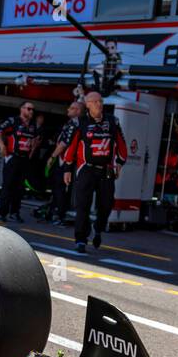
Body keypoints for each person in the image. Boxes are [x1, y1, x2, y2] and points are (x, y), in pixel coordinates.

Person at [63, 91, 127, 253]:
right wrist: (67, 169)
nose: (99, 104)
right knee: (82, 205)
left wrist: (119, 162)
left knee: (106, 205)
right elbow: (71, 147)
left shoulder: (113, 121)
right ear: (88, 105)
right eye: (95, 101)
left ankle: (97, 228)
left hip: (106, 170)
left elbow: (121, 143)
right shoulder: (80, 122)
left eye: (100, 101)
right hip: (86, 169)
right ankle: (80, 240)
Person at [0, 102, 39, 222]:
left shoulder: (32, 125)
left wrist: (32, 150)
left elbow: (36, 138)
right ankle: (2, 212)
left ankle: (14, 213)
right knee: (8, 185)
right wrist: (2, 146)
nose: (31, 112)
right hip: (12, 157)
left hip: (24, 159)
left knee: (20, 188)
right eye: (29, 109)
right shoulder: (12, 121)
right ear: (22, 109)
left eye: (33, 110)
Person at [47, 100, 84, 224]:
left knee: (60, 187)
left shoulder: (75, 123)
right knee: (58, 187)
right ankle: (54, 210)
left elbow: (64, 143)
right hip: (65, 159)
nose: (68, 109)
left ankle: (59, 214)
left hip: (66, 160)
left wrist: (52, 157)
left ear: (78, 111)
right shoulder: (71, 123)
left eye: (72, 108)